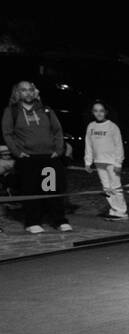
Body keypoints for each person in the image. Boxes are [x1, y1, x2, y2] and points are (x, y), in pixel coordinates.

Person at [2, 80, 71, 233]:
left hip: (49, 157)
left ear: (35, 92)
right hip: (28, 159)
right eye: (24, 90)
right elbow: (7, 134)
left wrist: (58, 150)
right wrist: (18, 152)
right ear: (18, 93)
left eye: (30, 90)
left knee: (52, 189)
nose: (27, 92)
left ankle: (59, 220)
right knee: (31, 191)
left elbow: (58, 131)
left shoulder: (45, 110)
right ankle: (33, 222)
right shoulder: (11, 111)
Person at [84, 101, 127, 220]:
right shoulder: (91, 126)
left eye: (101, 111)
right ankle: (114, 209)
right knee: (106, 187)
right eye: (96, 111)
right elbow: (88, 144)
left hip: (112, 162)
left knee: (116, 187)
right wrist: (88, 161)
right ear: (93, 112)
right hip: (99, 162)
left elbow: (119, 145)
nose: (99, 113)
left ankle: (122, 211)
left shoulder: (112, 126)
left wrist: (119, 162)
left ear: (106, 112)